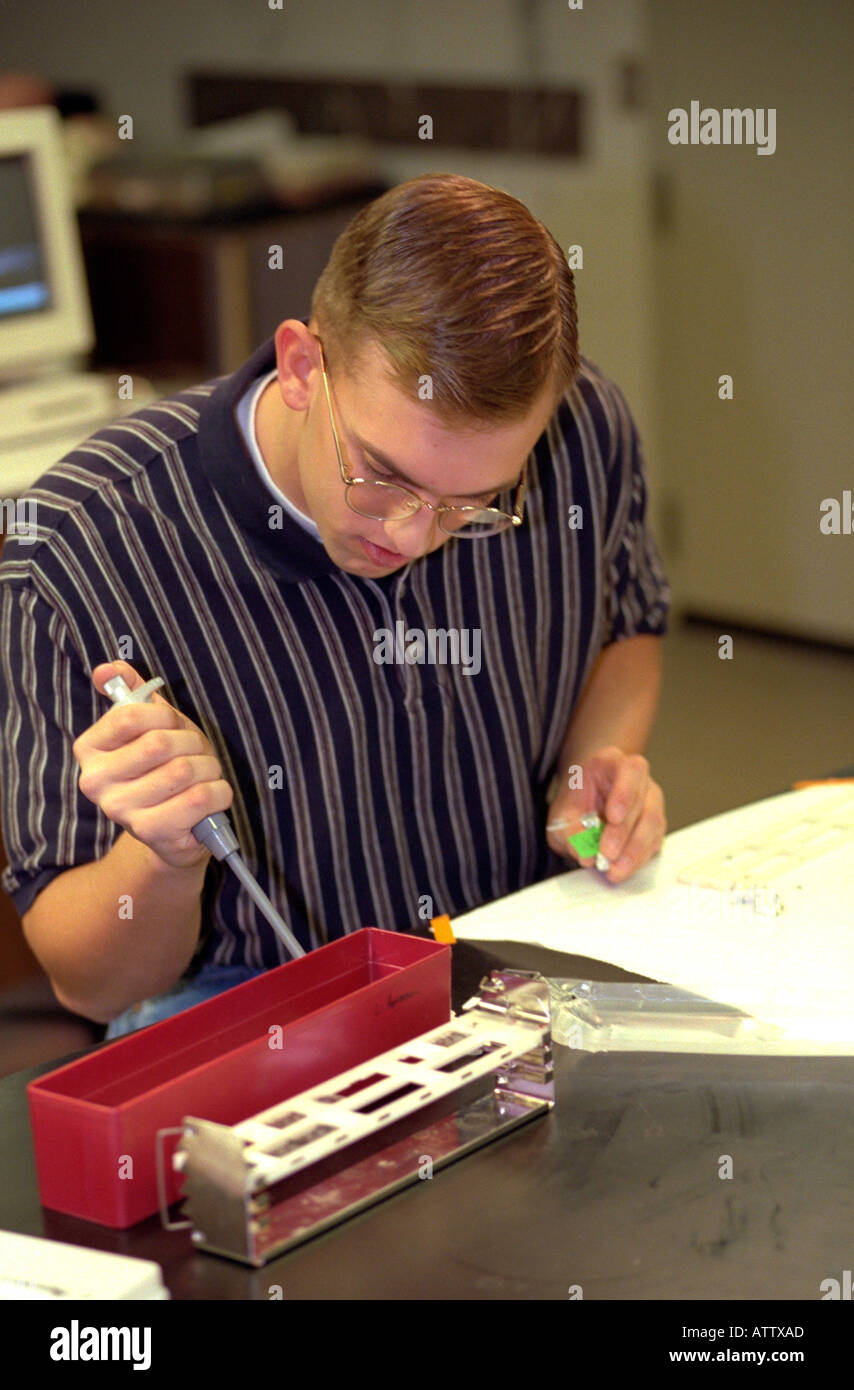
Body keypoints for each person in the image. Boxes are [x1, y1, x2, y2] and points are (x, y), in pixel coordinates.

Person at [0, 173, 670, 1038]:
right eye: (383, 475)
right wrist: (163, 858)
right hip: (247, 1000)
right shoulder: (81, 546)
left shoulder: (584, 437)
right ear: (303, 366)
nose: (417, 533)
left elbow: (629, 625)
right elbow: (86, 983)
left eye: (475, 502)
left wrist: (592, 771)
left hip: (513, 938)